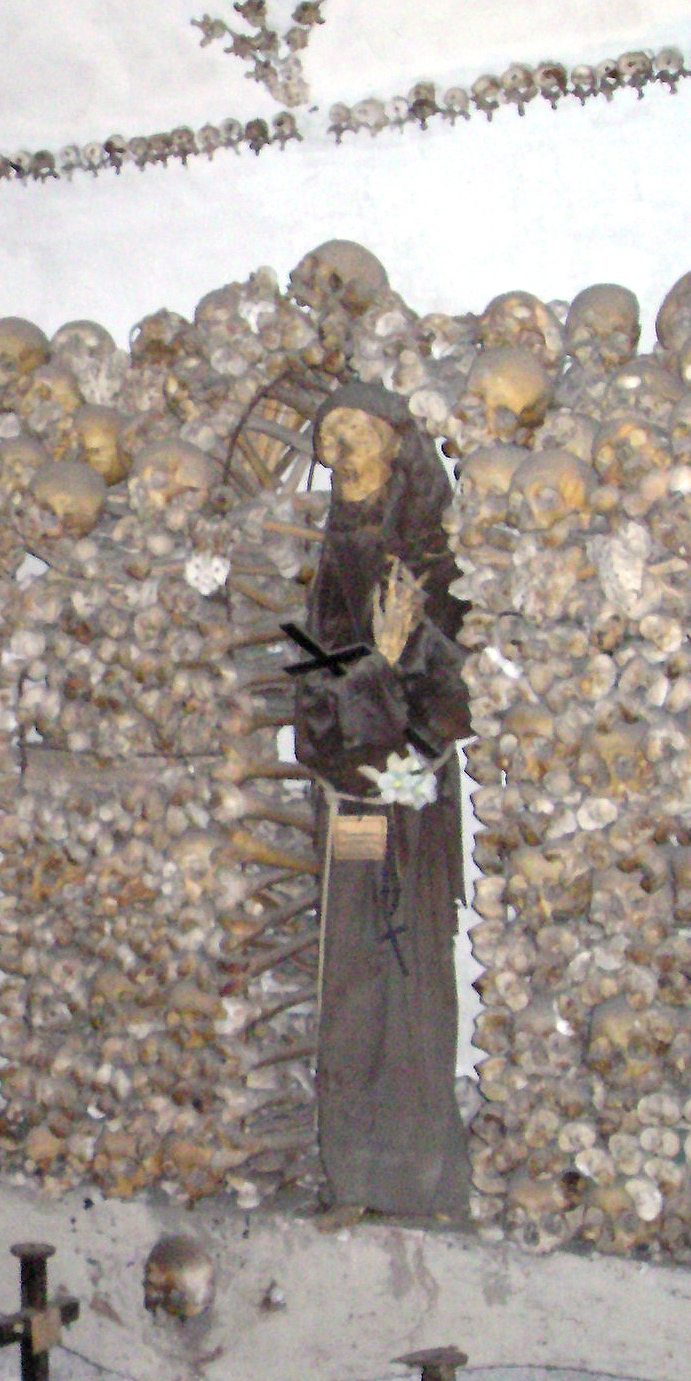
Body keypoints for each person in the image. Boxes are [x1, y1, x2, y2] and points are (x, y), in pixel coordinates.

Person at [293, 383, 474, 1218]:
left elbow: (446, 706)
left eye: (356, 433)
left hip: (411, 807)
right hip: (350, 804)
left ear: (397, 447)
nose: (341, 451)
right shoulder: (330, 562)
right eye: (329, 435)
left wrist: (387, 671)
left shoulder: (435, 563)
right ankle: (353, 1169)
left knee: (408, 975)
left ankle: (413, 1171)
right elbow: (313, 701)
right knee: (352, 979)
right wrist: (369, 680)